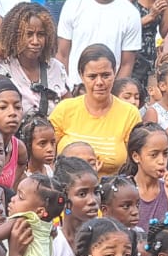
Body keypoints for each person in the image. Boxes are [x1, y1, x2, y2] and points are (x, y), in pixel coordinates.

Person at [50, 45, 139, 174]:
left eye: (105, 75)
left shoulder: (130, 114)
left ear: (115, 72)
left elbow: (136, 162)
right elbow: (45, 156)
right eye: (92, 77)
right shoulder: (64, 110)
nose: (99, 82)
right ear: (81, 75)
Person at [0, 2, 67, 116]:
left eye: (40, 34)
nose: (35, 41)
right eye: (29, 34)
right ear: (15, 35)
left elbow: (70, 111)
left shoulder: (56, 68)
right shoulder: (3, 69)